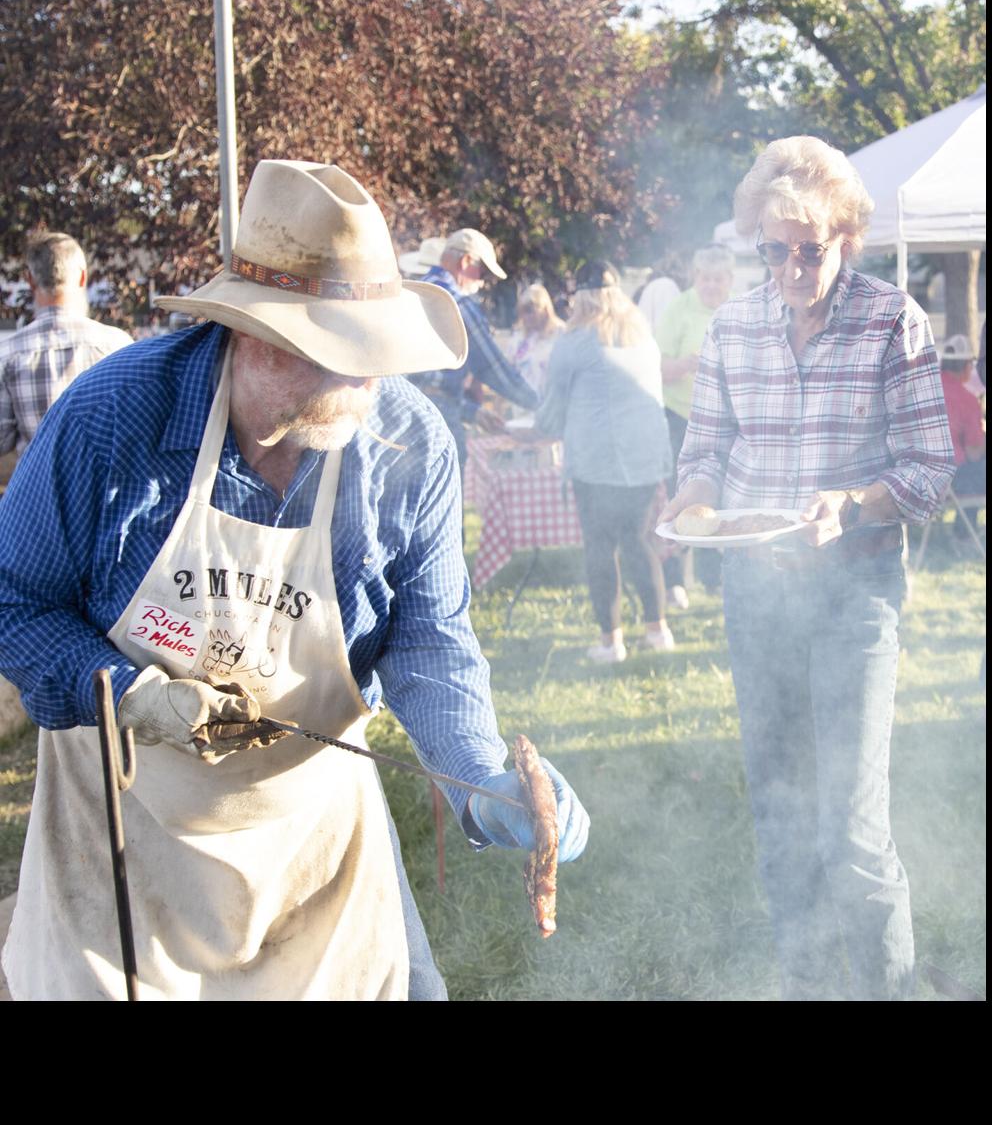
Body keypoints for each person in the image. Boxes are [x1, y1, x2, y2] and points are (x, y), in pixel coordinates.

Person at [0, 159, 589, 1001]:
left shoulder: (407, 444)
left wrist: (478, 771)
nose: (365, 385)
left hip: (313, 833)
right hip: (125, 832)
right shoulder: (109, 419)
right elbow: (14, 600)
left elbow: (427, 636)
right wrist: (124, 689)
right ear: (253, 334)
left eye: (375, 354)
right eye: (337, 355)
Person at [658, 136, 956, 1000]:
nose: (792, 266)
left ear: (845, 239)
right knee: (781, 819)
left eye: (810, 248)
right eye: (775, 249)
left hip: (855, 591)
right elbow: (706, 448)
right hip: (754, 592)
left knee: (853, 830)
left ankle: (887, 988)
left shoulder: (890, 318)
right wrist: (692, 496)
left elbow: (931, 471)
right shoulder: (732, 325)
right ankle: (805, 985)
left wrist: (853, 502)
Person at [536, 260, 672, 664]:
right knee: (637, 541)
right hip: (646, 458)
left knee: (600, 548)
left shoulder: (576, 341)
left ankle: (611, 642)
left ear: (582, 298)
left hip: (598, 461)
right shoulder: (642, 335)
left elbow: (552, 407)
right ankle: (657, 631)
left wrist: (535, 426)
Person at [0, 232, 132, 466]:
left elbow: (2, 439)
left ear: (30, 280)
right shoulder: (119, 346)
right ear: (82, 277)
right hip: (109, 496)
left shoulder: (8, 353)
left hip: (38, 495)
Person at [655, 244, 736, 606]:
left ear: (729, 280)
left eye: (718, 280)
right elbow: (657, 368)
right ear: (694, 277)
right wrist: (688, 363)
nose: (711, 286)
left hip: (727, 422)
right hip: (680, 416)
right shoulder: (679, 309)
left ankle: (712, 575)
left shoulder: (739, 310)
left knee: (717, 495)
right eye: (704, 279)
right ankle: (675, 581)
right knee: (679, 496)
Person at [415, 226, 539, 452]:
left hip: (406, 414)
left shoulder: (415, 293)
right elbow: (493, 368)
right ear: (465, 262)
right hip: (437, 420)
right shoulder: (457, 303)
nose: (481, 279)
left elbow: (425, 384)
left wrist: (473, 411)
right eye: (481, 271)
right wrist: (539, 405)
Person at [938, 332, 986, 498]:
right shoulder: (968, 400)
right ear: (967, 366)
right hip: (952, 478)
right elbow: (974, 452)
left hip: (917, 474)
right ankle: (967, 524)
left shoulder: (925, 390)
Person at [510, 282, 565, 398]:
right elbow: (509, 370)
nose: (526, 317)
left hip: (552, 405)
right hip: (522, 405)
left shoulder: (562, 334)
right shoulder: (520, 337)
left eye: (530, 311)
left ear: (545, 309)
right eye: (523, 312)